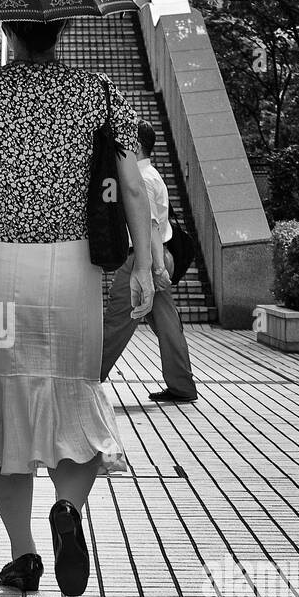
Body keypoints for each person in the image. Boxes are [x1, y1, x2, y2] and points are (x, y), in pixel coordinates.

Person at [0, 19, 153, 597]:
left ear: (8, 30)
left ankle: (24, 554)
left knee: (1, 400)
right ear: (61, 29)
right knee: (72, 392)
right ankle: (67, 508)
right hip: (73, 264)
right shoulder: (100, 90)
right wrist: (148, 266)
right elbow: (132, 187)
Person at [100, 119, 198, 402]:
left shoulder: (140, 178)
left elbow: (150, 225)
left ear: (136, 146)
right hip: (160, 256)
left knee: (118, 319)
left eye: (125, 142)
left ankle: (89, 378)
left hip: (142, 260)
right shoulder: (153, 174)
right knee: (168, 323)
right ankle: (182, 385)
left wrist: (153, 267)